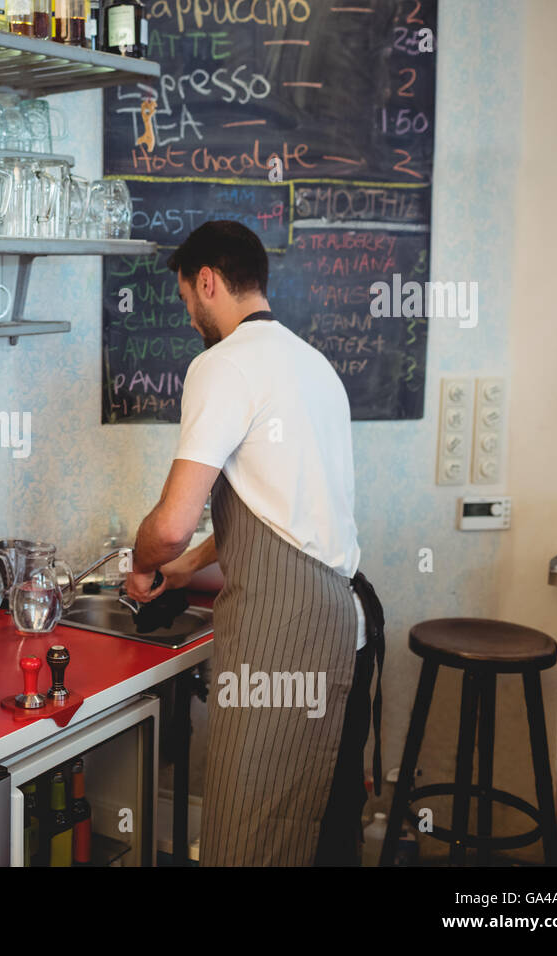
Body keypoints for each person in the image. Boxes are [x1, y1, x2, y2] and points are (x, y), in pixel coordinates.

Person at [125, 220, 384, 866]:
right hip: (346, 623)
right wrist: (185, 569)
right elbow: (273, 505)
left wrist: (144, 560)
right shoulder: (314, 366)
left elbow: (170, 522)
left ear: (207, 282)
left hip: (287, 633)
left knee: (252, 832)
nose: (190, 319)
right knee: (321, 826)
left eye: (188, 300)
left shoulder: (222, 366)